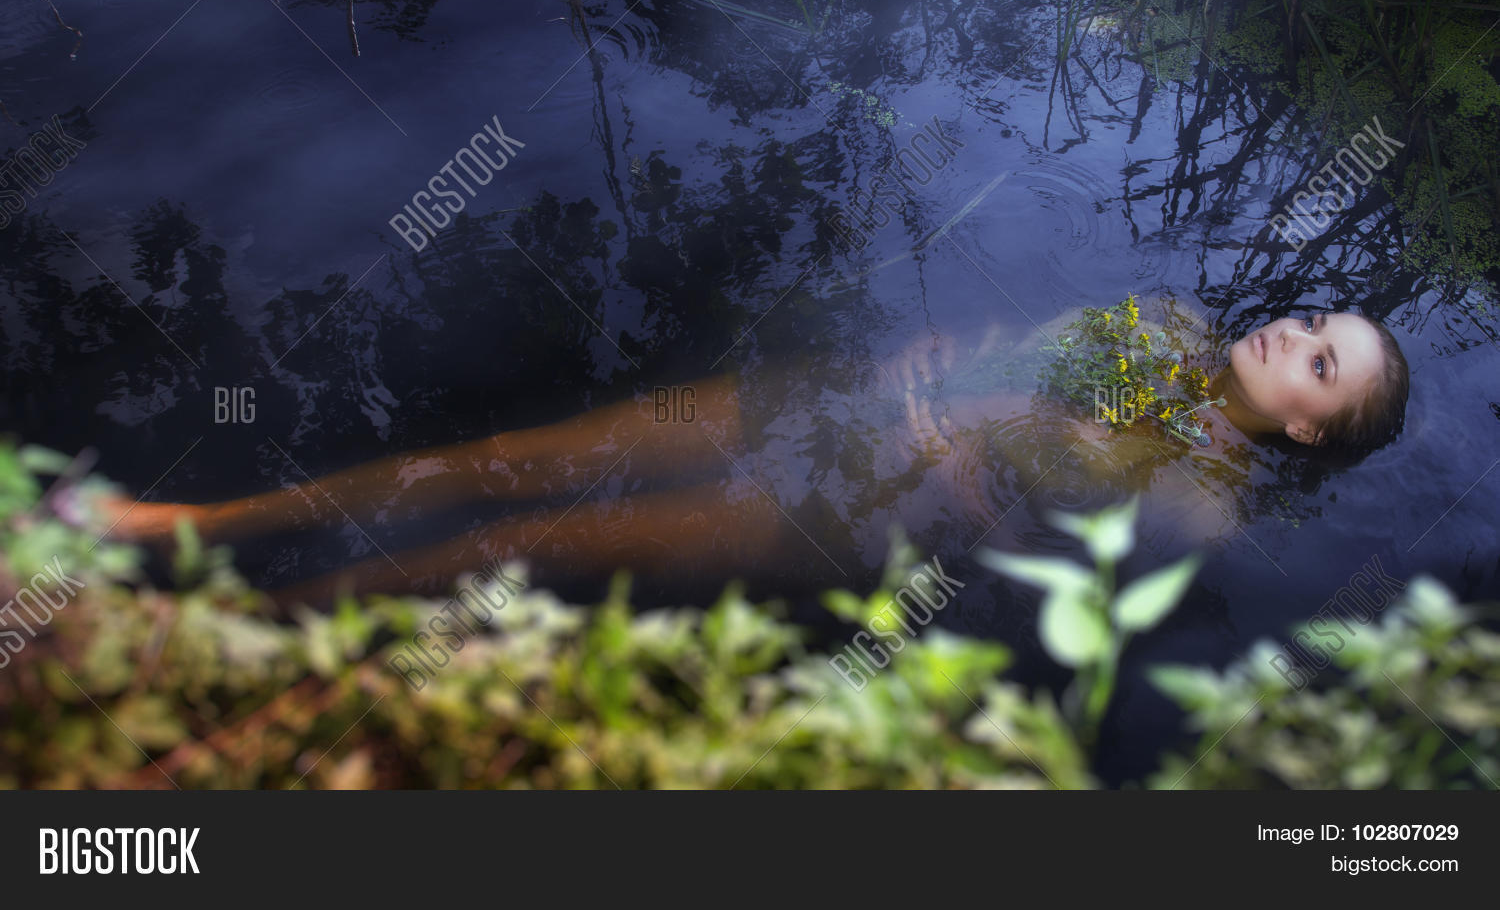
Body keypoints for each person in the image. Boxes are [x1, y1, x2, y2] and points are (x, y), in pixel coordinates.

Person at [74, 295, 1409, 608]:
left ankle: (250, 623)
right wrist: (929, 370)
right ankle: (177, 523)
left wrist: (969, 478)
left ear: (1306, 426)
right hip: (820, 409)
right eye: (1310, 319)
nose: (1296, 332)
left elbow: (1032, 566)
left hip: (844, 511)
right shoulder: (1162, 320)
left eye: (1321, 358)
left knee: (527, 538)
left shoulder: (1207, 511)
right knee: (507, 457)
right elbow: (1000, 341)